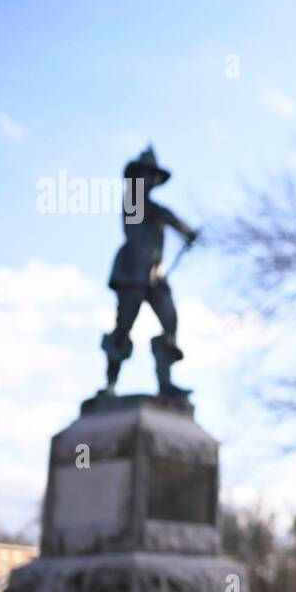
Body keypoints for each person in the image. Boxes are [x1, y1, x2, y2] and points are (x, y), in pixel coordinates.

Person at [100, 144, 200, 402]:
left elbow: (166, 218)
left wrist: (187, 233)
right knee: (123, 328)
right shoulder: (133, 201)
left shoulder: (155, 209)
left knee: (170, 321)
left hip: (155, 276)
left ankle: (165, 383)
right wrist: (182, 227)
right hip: (132, 271)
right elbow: (156, 216)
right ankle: (110, 385)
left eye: (154, 176)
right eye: (147, 175)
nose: (151, 180)